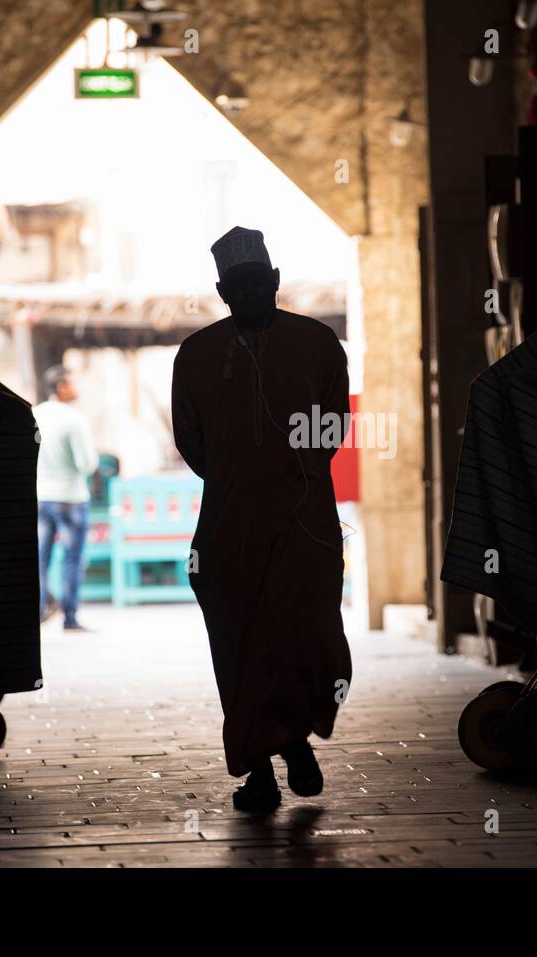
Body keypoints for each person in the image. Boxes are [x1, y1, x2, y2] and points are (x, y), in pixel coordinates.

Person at [171, 226, 353, 813]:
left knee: (308, 638)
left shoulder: (319, 344)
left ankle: (294, 737)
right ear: (222, 291)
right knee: (239, 645)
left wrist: (286, 474)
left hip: (305, 526)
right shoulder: (197, 355)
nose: (249, 294)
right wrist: (241, 477)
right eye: (237, 286)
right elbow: (191, 441)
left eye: (258, 283)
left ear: (274, 281)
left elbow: (331, 430)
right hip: (230, 529)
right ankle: (263, 770)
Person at [34, 365, 98, 632]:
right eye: (73, 383)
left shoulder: (34, 414)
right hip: (70, 498)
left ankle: (39, 610)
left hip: (40, 497)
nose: (77, 388)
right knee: (72, 558)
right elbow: (87, 464)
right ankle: (69, 617)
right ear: (61, 388)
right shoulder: (74, 419)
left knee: (40, 558)